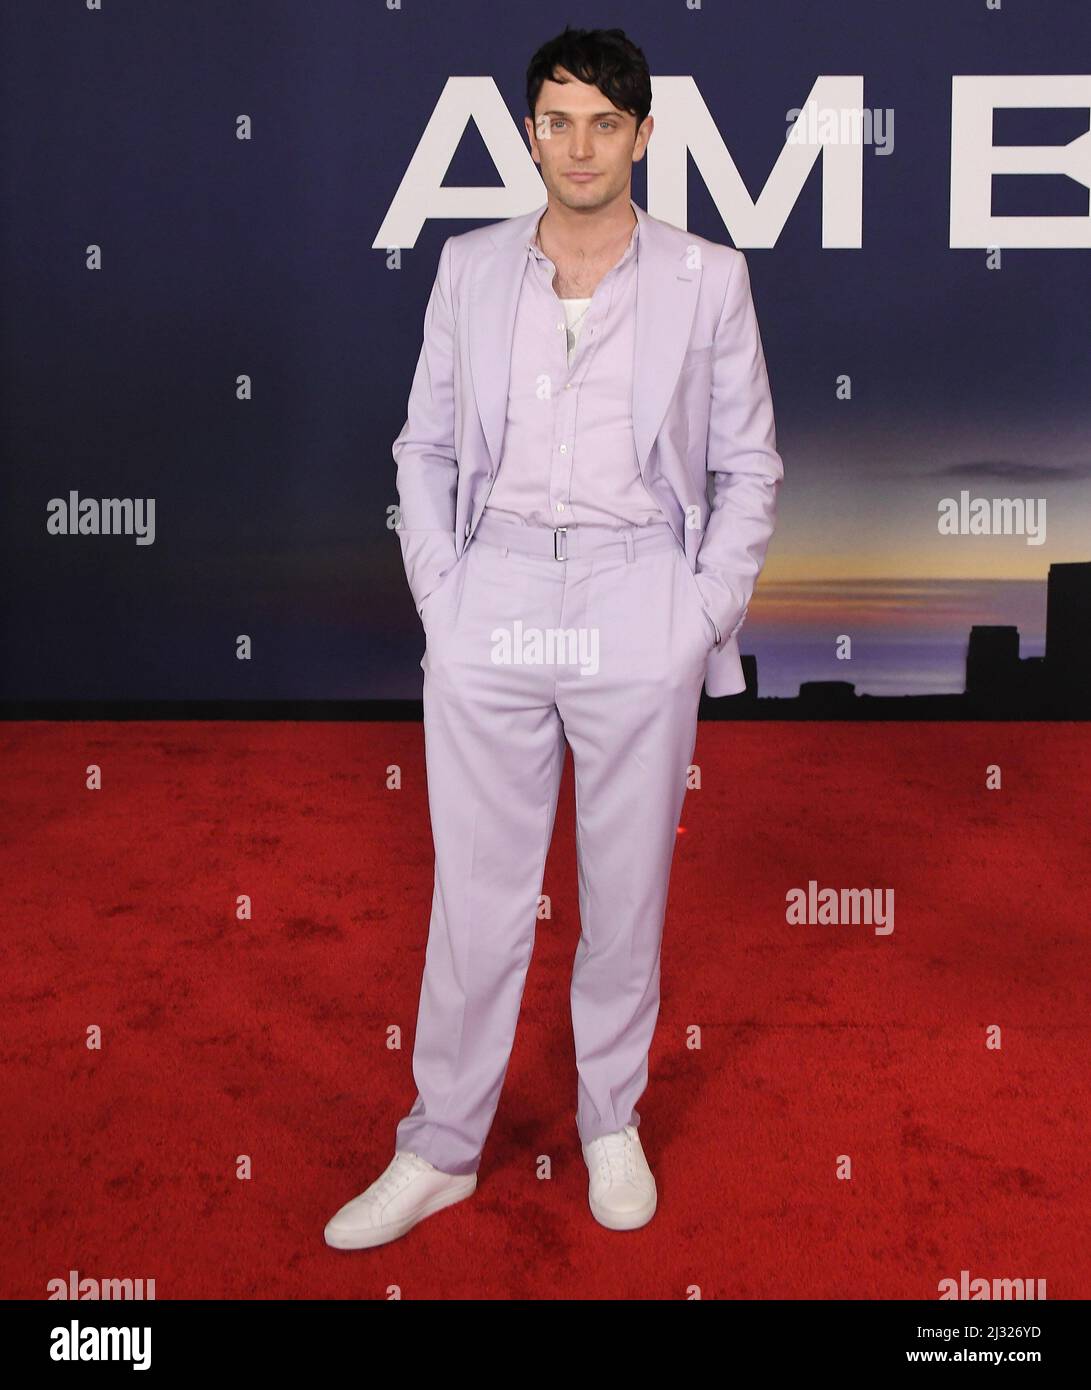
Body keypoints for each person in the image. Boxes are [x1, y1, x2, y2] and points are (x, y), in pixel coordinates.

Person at [325, 25, 783, 1250]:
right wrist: (444, 590)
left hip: (640, 601)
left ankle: (610, 1121)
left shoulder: (705, 276)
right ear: (529, 133)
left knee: (622, 893)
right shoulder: (468, 269)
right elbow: (422, 446)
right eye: (557, 120)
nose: (579, 146)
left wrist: (694, 619)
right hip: (493, 598)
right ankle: (439, 1145)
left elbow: (748, 469)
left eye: (604, 123)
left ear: (640, 136)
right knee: (474, 897)